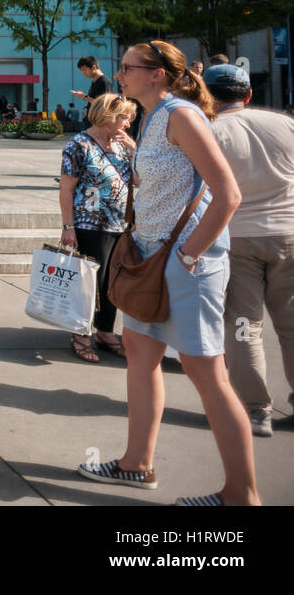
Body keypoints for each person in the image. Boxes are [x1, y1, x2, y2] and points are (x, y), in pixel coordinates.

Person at [78, 40, 257, 507]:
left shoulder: (182, 114)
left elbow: (228, 194)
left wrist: (191, 254)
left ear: (157, 74)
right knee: (139, 351)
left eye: (127, 68)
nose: (119, 75)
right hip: (151, 257)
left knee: (205, 372)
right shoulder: (154, 117)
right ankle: (136, 465)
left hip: (184, 261)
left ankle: (242, 494)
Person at [205, 64, 294, 438]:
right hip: (289, 232)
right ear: (248, 94)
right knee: (290, 326)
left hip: (237, 237)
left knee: (243, 326)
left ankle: (255, 411)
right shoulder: (285, 124)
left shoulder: (211, 132)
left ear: (206, 96)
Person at [58, 93, 138, 363]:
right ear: (108, 115)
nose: (128, 124)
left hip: (119, 224)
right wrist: (68, 226)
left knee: (113, 282)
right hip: (89, 224)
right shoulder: (79, 144)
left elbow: (139, 180)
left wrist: (134, 150)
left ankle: (105, 331)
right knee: (91, 281)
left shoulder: (121, 145)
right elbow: (66, 187)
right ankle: (80, 334)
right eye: (124, 118)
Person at [72, 56, 116, 128]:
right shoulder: (94, 82)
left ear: (94, 67)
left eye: (84, 69)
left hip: (99, 124)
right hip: (91, 122)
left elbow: (104, 104)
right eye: (81, 70)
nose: (83, 73)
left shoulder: (104, 82)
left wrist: (84, 97)